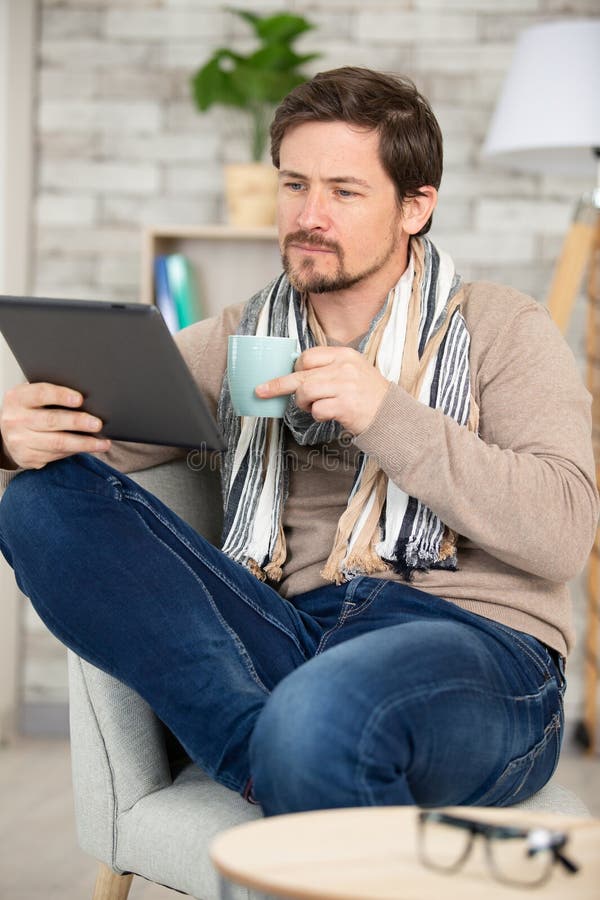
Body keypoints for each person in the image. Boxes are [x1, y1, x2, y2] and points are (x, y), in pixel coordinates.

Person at [0, 67, 597, 815]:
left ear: (416, 207)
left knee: (323, 709)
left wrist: (383, 412)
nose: (309, 215)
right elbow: (105, 449)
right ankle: (280, 752)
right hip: (292, 632)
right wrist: (17, 433)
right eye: (294, 185)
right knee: (40, 503)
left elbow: (563, 535)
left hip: (475, 650)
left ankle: (290, 745)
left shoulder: (500, 327)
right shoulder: (247, 334)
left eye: (344, 191)